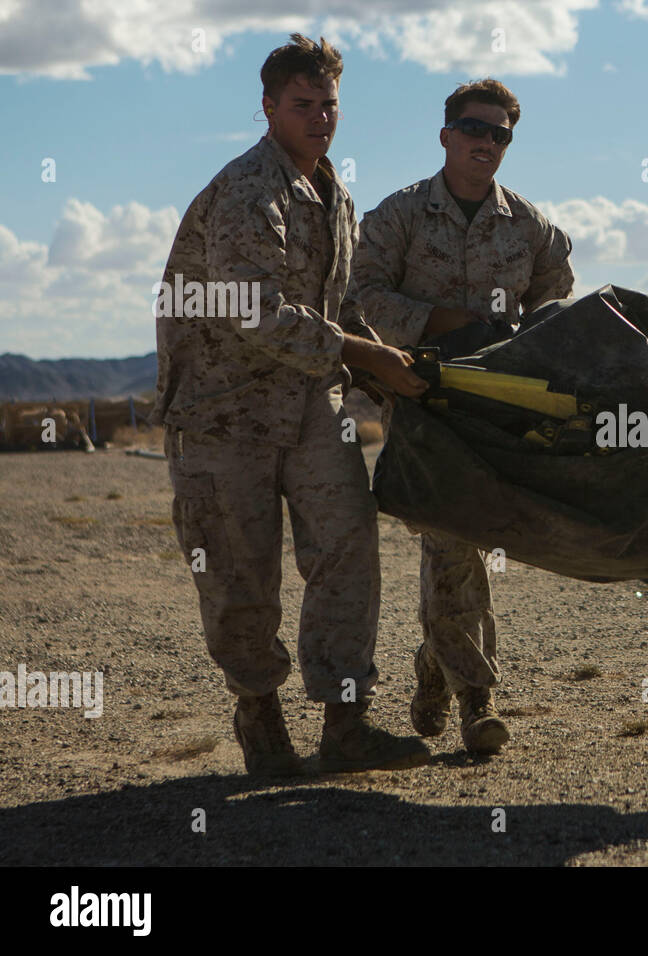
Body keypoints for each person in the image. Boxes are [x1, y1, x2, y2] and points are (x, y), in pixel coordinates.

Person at [153, 34, 432, 775]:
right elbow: (256, 310)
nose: (320, 117)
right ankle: (260, 717)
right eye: (303, 105)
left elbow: (331, 306)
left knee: (347, 545)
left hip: (310, 401)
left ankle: (346, 723)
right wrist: (366, 355)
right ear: (269, 107)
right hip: (223, 412)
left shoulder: (332, 193)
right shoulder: (250, 190)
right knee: (241, 575)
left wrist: (382, 365)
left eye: (329, 103)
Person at [353, 78, 574, 754]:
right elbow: (360, 293)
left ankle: (435, 664)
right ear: (446, 134)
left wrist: (526, 355)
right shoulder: (399, 217)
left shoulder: (530, 227)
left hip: (496, 408)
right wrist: (442, 323)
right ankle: (479, 700)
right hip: (421, 401)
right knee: (450, 537)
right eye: (474, 129)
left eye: (500, 133)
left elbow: (555, 301)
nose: (486, 142)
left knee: (474, 537)